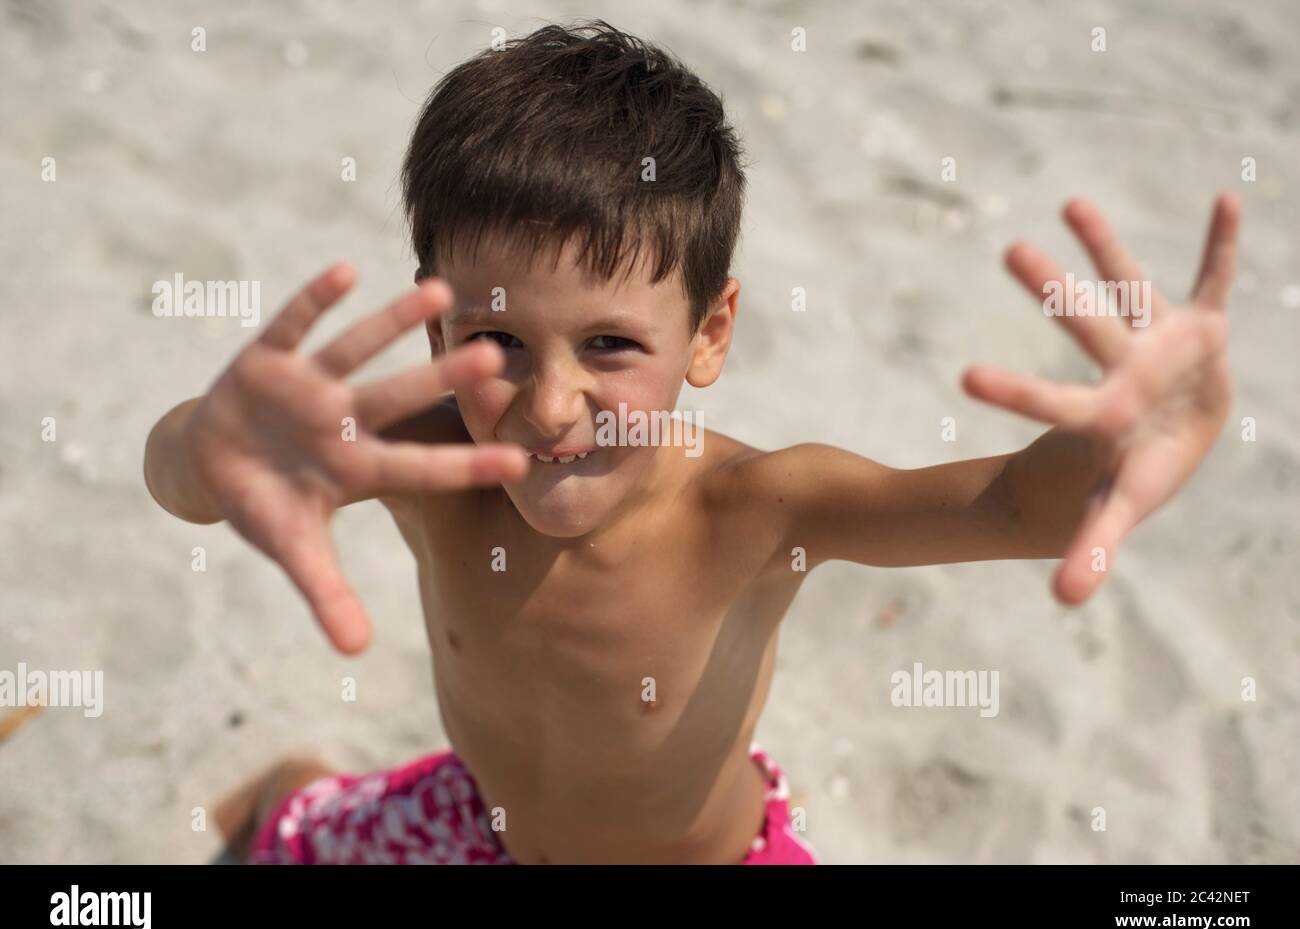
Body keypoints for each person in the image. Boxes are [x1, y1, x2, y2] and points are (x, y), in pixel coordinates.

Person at [144, 20, 1239, 864]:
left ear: (710, 333)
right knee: (295, 827)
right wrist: (205, 450)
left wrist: (1124, 442)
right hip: (480, 832)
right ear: (438, 329)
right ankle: (285, 785)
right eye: (497, 340)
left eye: (610, 343)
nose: (552, 405)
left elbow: (1008, 506)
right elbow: (198, 480)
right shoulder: (421, 460)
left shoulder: (757, 510)